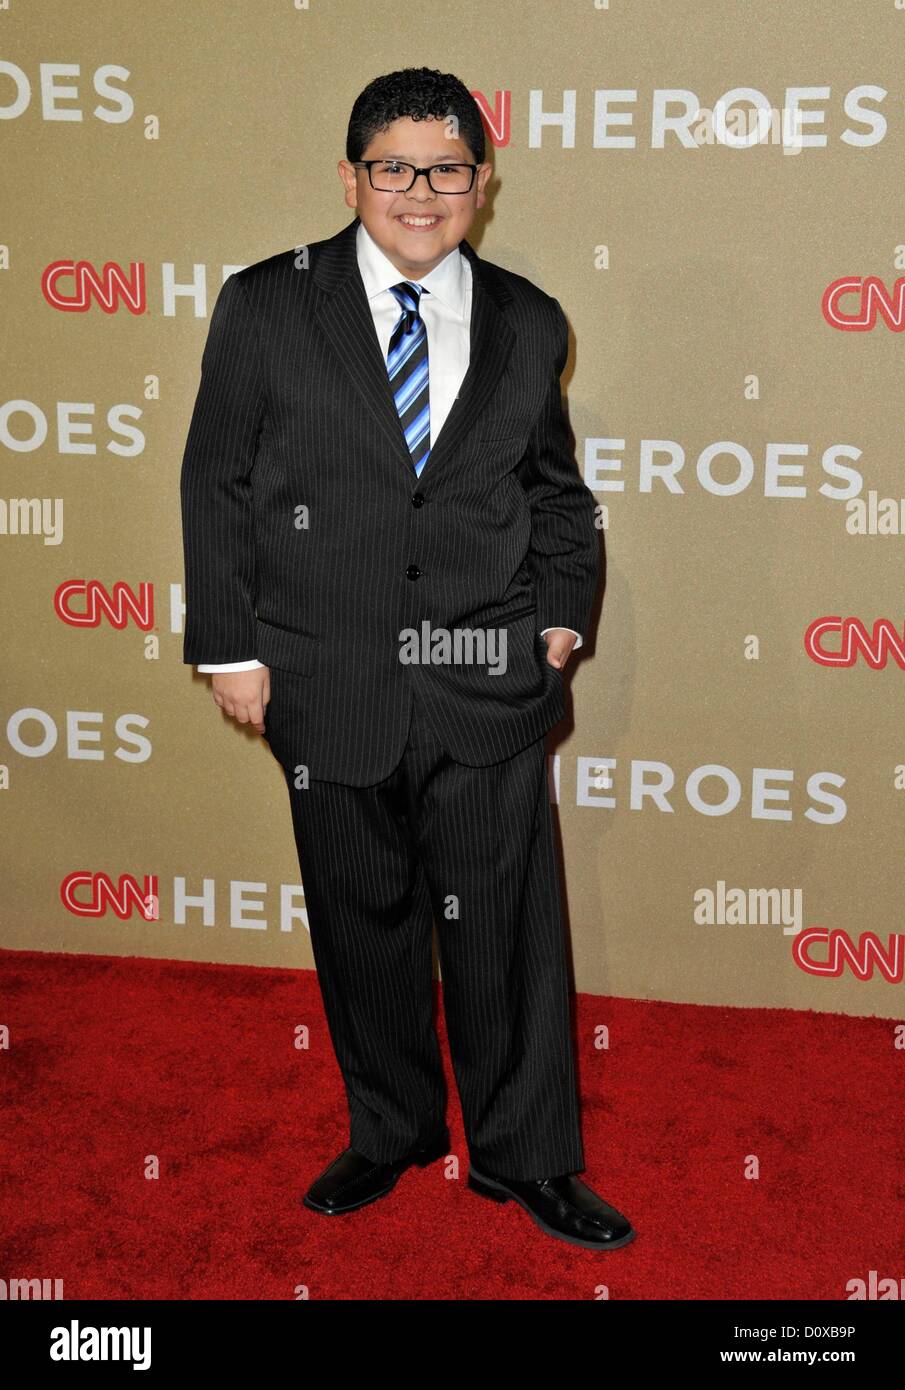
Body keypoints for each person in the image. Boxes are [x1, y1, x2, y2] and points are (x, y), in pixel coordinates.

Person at [180, 66, 635, 1251]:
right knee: (358, 918)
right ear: (351, 177)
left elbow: (556, 496)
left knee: (504, 932)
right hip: (320, 674)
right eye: (393, 167)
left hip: (485, 672)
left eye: (445, 168)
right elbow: (215, 480)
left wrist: (559, 620)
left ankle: (526, 1158)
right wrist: (227, 645)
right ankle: (390, 1129)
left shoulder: (529, 317)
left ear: (481, 185)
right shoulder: (266, 304)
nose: (419, 191)